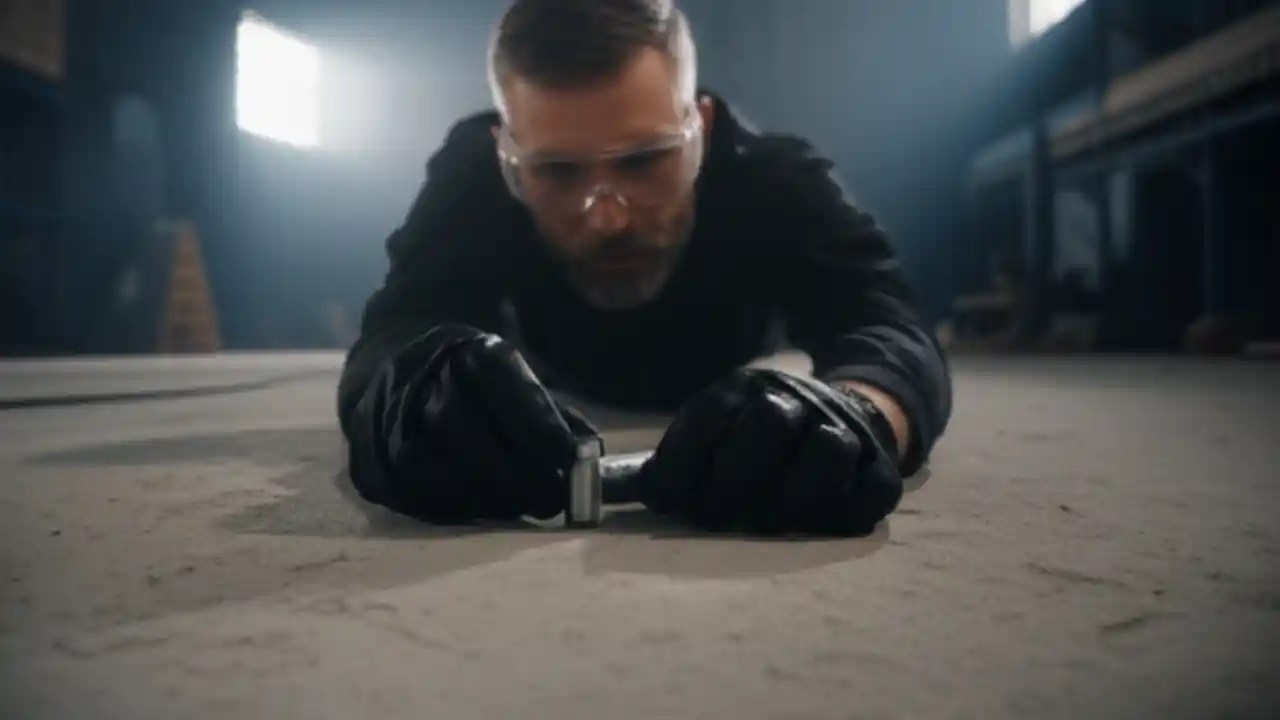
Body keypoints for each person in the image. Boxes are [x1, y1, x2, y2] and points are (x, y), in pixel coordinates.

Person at [337, 0, 952, 535]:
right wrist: (409, 397)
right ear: (507, 152)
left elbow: (889, 324)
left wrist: (857, 415)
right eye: (557, 172)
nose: (608, 218)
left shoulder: (773, 178)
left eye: (643, 162)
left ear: (701, 130)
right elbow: (398, 325)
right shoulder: (472, 173)